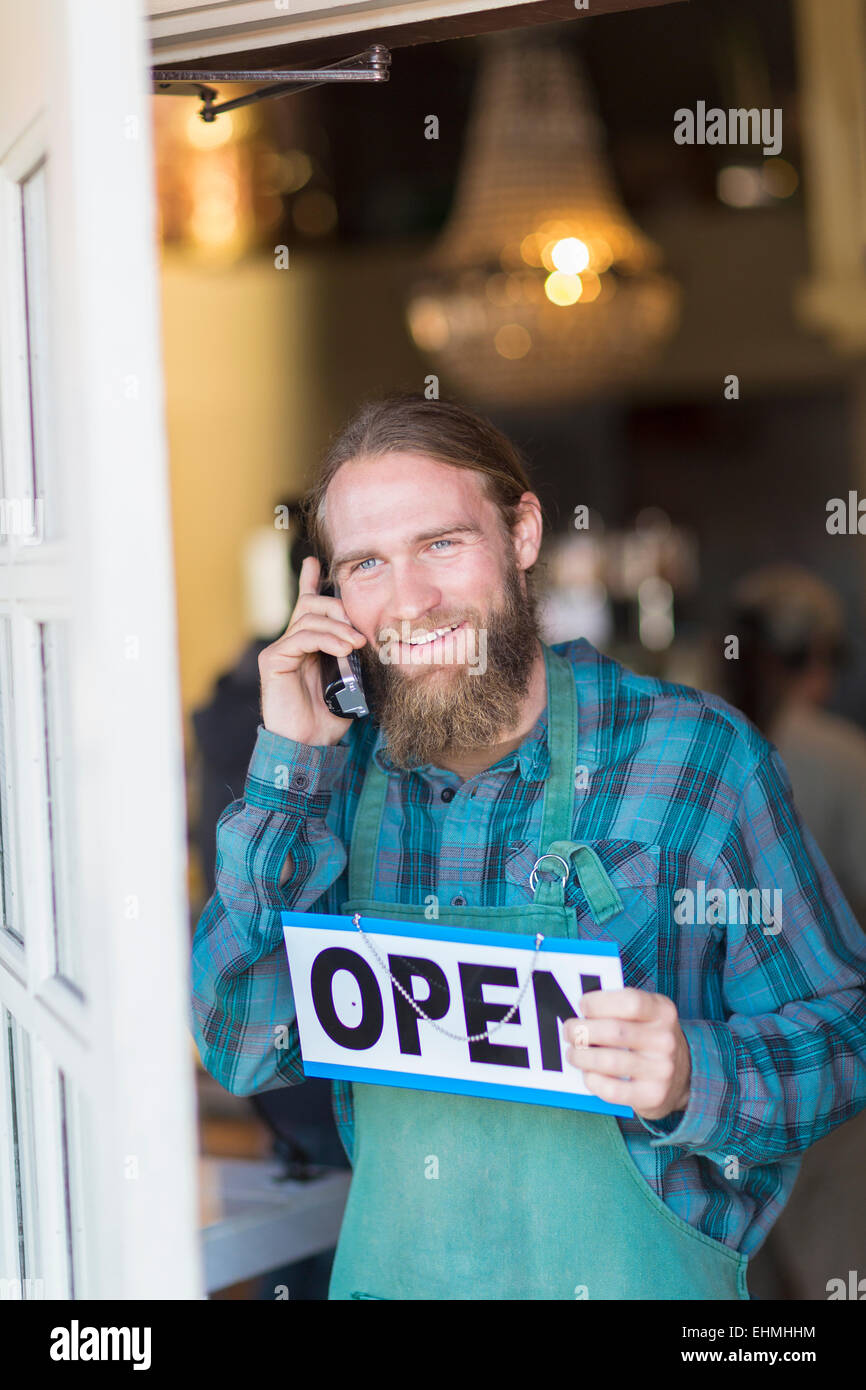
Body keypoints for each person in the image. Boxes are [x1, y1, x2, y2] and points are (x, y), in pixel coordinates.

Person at [190, 393, 866, 1301]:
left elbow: (844, 1032)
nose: (411, 600)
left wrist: (697, 1073)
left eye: (442, 543)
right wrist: (286, 772)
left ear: (522, 534)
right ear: (330, 595)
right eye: (367, 564)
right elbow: (240, 1043)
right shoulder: (331, 778)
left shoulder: (697, 761)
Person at [719, 565, 866, 1299]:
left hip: (719, 1082)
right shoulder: (839, 759)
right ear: (816, 658)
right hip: (825, 1082)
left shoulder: (697, 748)